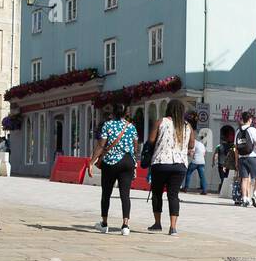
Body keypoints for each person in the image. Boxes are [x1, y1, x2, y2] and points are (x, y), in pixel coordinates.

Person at [89, 104, 138, 235]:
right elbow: (135, 147)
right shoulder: (131, 127)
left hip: (110, 163)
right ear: (126, 113)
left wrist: (91, 161)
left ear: (113, 112)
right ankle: (125, 226)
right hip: (127, 162)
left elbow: (101, 145)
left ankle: (104, 224)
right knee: (125, 195)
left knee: (106, 193)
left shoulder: (107, 125)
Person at [146, 100, 192, 236]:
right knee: (173, 195)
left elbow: (151, 140)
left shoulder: (161, 122)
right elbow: (191, 144)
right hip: (180, 164)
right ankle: (173, 227)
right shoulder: (187, 126)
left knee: (157, 193)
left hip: (160, 163)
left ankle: (157, 223)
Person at [234, 111, 256, 208]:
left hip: (241, 158)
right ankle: (254, 195)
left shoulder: (238, 131)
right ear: (250, 120)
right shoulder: (252, 130)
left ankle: (245, 198)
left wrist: (237, 161)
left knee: (244, 179)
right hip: (252, 157)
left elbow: (236, 148)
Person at [182, 115, 208, 195]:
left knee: (189, 173)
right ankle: (204, 190)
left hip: (195, 161)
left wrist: (187, 154)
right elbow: (204, 153)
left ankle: (186, 187)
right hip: (202, 162)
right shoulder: (202, 144)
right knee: (202, 176)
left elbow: (191, 152)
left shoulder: (194, 143)